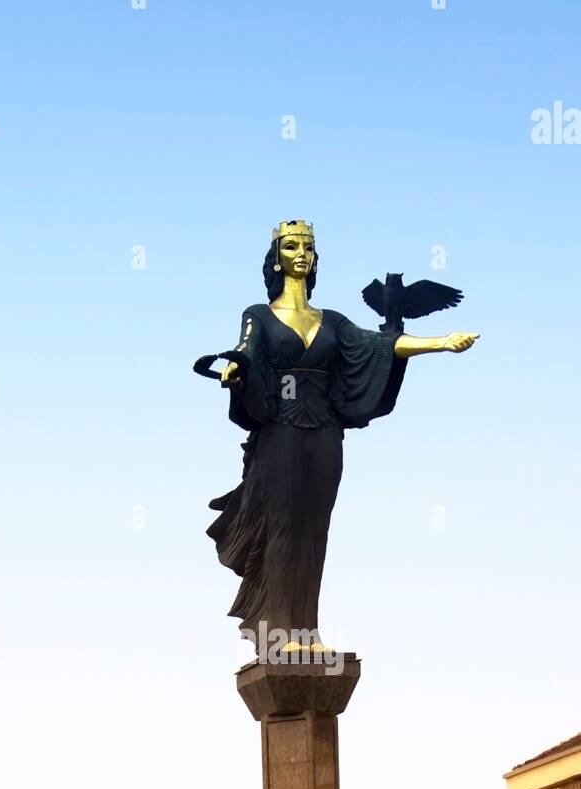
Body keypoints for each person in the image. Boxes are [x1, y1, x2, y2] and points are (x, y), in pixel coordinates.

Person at [203, 220, 478, 655]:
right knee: (284, 528)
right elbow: (247, 350)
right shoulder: (258, 314)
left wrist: (441, 342)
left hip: (325, 432)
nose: (301, 253)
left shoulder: (333, 321)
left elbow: (380, 346)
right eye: (291, 246)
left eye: (308, 247)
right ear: (276, 257)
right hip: (281, 430)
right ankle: (280, 636)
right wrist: (235, 370)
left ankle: (306, 634)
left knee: (315, 531)